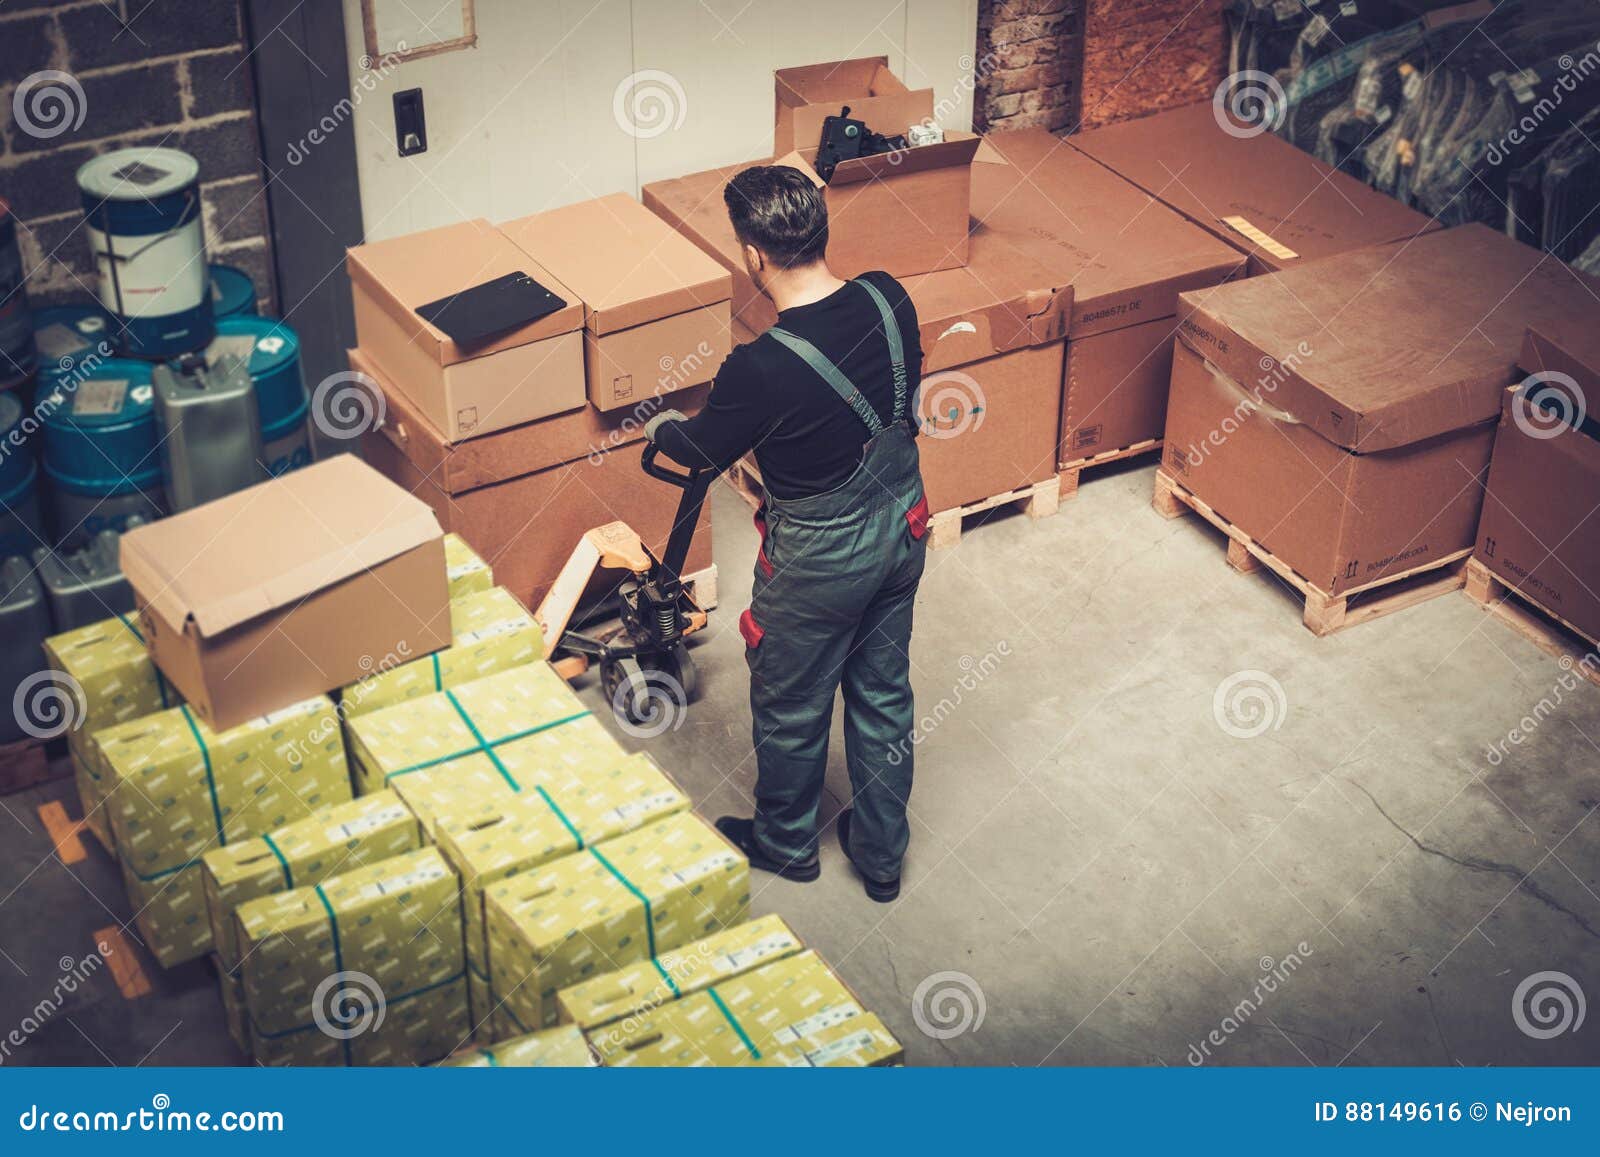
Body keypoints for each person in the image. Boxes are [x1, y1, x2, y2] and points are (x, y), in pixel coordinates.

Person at [645, 164, 928, 903]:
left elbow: (705, 447)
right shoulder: (888, 296)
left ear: (752, 256)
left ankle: (786, 842)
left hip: (821, 560)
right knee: (882, 691)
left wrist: (664, 426)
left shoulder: (760, 366)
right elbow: (902, 396)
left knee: (794, 700)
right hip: (903, 523)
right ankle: (881, 855)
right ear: (820, 229)